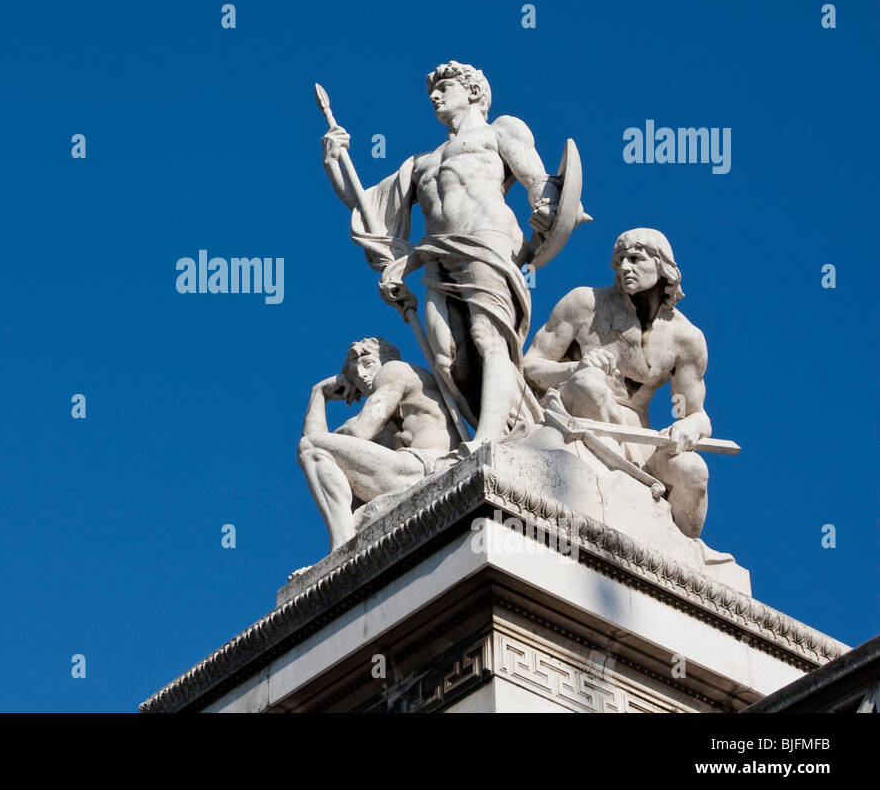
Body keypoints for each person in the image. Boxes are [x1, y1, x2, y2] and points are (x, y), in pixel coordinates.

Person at [322, 62, 557, 447]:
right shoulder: (422, 162)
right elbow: (367, 207)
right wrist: (334, 159)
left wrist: (548, 208)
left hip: (488, 240)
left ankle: (486, 440)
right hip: (434, 256)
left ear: (474, 92)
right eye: (433, 90)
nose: (435, 96)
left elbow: (539, 182)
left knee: (487, 336)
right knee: (450, 359)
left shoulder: (500, 130)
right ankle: (506, 424)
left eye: (445, 87)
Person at [522, 229, 712, 537]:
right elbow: (528, 365)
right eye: (620, 260)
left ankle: (681, 555)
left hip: (636, 438)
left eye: (636, 259)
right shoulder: (586, 304)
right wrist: (574, 366)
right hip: (577, 411)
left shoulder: (686, 339)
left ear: (663, 268)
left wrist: (688, 428)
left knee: (693, 471)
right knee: (589, 383)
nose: (624, 268)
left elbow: (698, 415)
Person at [297, 337, 457, 552]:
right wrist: (318, 394)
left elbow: (358, 433)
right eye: (353, 372)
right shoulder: (373, 416)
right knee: (317, 454)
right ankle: (344, 547)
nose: (361, 375)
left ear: (386, 359)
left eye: (368, 363)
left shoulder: (395, 371)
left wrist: (328, 440)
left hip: (429, 464)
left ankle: (341, 550)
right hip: (404, 469)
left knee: (315, 448)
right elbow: (315, 453)